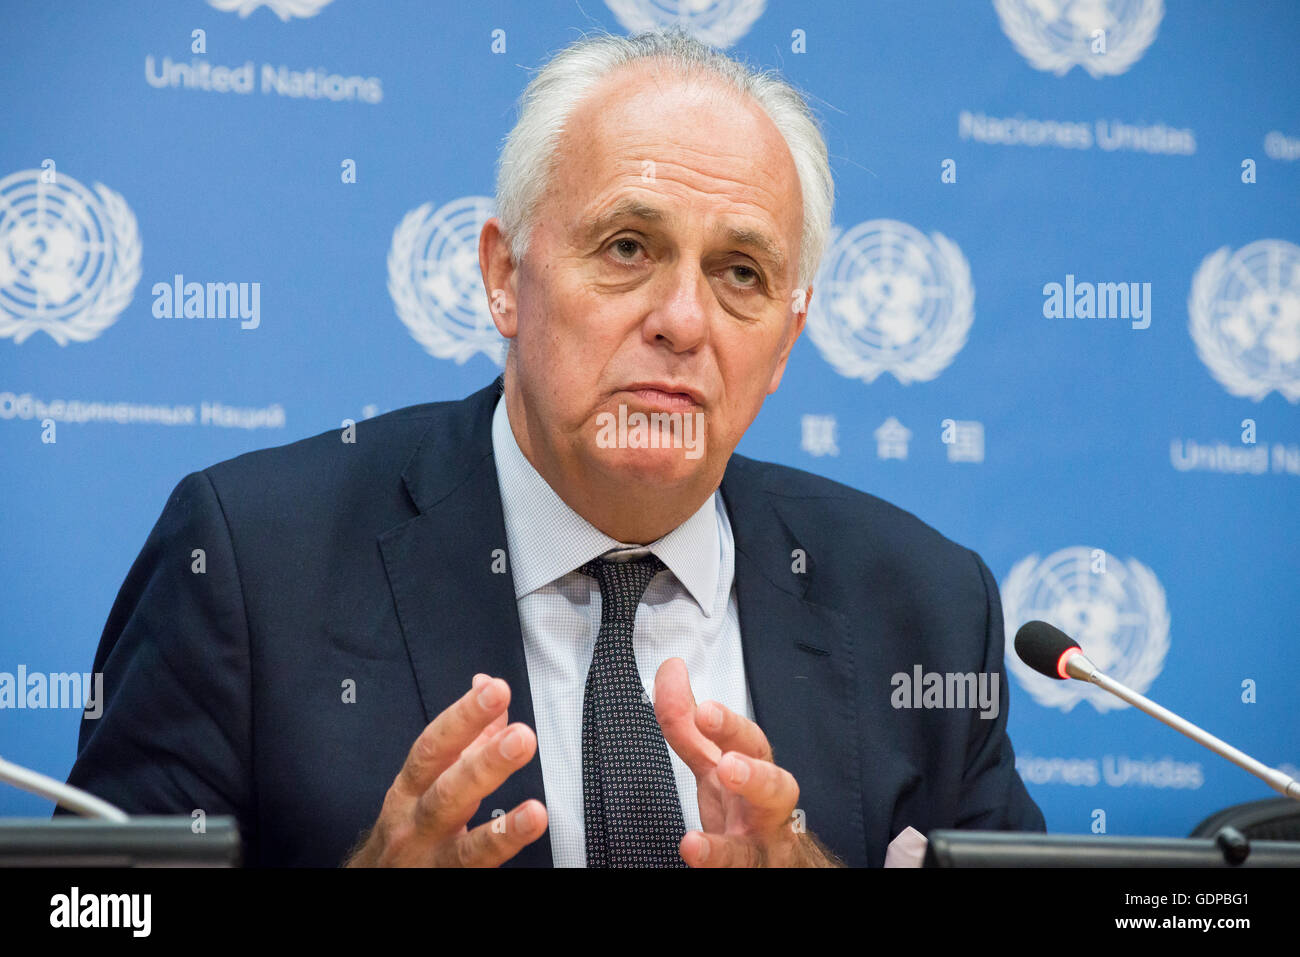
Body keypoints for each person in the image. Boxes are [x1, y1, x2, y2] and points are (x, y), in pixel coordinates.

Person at [61, 27, 1044, 867]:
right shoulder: (252, 561)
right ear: (504, 278)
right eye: (627, 247)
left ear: (785, 342)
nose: (681, 320)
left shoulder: (921, 604)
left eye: (740, 272)